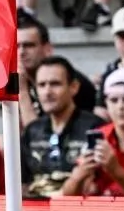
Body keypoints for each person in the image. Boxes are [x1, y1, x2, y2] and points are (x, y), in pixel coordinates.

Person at [61, 67, 124, 196]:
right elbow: (68, 197)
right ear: (106, 104)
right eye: (114, 100)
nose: (120, 107)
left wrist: (114, 169)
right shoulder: (99, 136)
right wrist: (80, 175)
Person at [20, 56, 106, 197]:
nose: (47, 92)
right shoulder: (32, 130)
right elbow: (21, 184)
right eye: (42, 85)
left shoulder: (94, 127)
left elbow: (94, 187)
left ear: (74, 87)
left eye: (55, 84)